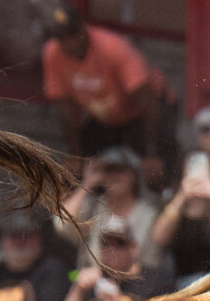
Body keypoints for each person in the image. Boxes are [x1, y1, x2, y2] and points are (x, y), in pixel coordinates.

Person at [39, 4, 169, 183]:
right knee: (82, 171)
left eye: (74, 34)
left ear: (84, 28)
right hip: (104, 118)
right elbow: (66, 109)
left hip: (145, 113)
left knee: (155, 171)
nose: (70, 43)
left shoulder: (113, 48)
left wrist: (152, 152)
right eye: (63, 38)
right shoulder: (52, 54)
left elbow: (147, 101)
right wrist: (76, 154)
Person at [153, 124, 210, 284]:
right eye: (192, 165)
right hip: (180, 283)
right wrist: (181, 196)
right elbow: (159, 237)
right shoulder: (174, 202)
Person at [57, 215, 174, 301]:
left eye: (120, 243)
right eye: (106, 243)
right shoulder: (91, 280)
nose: (112, 250)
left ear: (134, 248)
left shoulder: (154, 279)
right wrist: (77, 291)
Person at [57, 146, 162, 270]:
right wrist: (87, 183)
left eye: (120, 170)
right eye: (109, 170)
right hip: (93, 283)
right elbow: (61, 223)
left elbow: (153, 261)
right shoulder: (94, 208)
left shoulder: (149, 214)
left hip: (136, 285)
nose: (114, 175)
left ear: (133, 174)